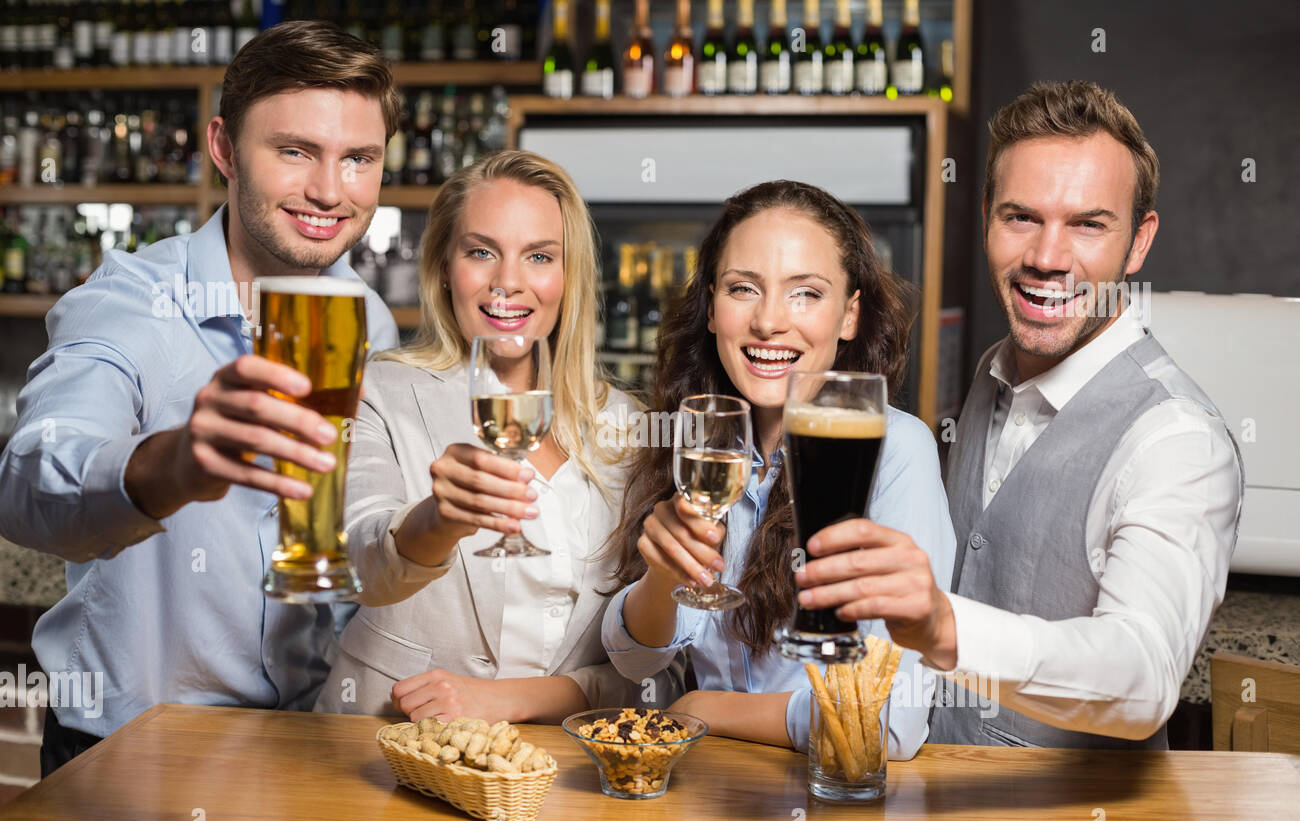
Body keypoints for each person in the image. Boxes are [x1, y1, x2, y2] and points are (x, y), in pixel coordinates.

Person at [0, 22, 402, 774]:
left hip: (310, 747)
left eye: (358, 159)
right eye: (294, 151)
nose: (329, 190)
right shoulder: (129, 300)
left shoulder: (369, 320)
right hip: (133, 752)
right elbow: (28, 483)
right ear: (222, 148)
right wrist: (175, 464)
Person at [795, 80, 1243, 748]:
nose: (1047, 257)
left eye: (1088, 224)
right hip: (938, 818)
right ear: (986, 218)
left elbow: (1145, 675)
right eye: (1021, 217)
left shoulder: (1178, 439)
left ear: (1139, 241)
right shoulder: (991, 371)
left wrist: (945, 627)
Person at [312, 150, 684, 724]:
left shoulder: (630, 431)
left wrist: (510, 702)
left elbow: (654, 670)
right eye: (481, 252)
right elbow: (358, 563)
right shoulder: (381, 390)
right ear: (442, 265)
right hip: (383, 749)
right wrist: (437, 521)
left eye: (539, 256)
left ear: (569, 276)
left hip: (559, 781)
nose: (507, 283)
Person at [600, 180, 956, 756]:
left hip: (830, 816)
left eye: (805, 294)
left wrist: (705, 709)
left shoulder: (896, 451)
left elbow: (888, 721)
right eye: (743, 288)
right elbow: (637, 661)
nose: (768, 321)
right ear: (712, 308)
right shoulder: (699, 443)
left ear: (849, 315)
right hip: (704, 808)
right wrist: (664, 576)